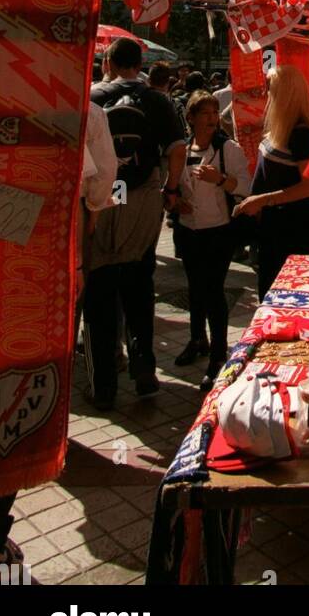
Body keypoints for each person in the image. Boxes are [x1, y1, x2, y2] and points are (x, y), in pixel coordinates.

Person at [85, 37, 186, 407]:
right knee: (139, 287)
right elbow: (178, 150)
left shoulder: (92, 96)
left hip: (102, 200)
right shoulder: (158, 99)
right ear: (139, 62)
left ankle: (104, 385)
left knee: (98, 293)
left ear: (108, 62)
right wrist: (170, 191)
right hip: (143, 199)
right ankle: (144, 371)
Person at [170, 92, 251, 391]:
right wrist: (175, 203)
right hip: (188, 229)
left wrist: (220, 179)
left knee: (214, 290)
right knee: (194, 287)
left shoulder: (228, 149)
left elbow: (244, 187)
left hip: (218, 230)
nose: (211, 118)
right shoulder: (182, 149)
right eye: (204, 113)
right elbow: (171, 188)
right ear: (190, 118)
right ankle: (197, 340)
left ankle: (218, 354)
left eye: (214, 113)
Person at [234, 66, 309, 300]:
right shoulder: (281, 127)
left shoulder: (300, 133)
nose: (266, 93)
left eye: (270, 88)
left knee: (284, 297)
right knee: (270, 293)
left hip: (292, 227)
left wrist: (264, 199)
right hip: (274, 226)